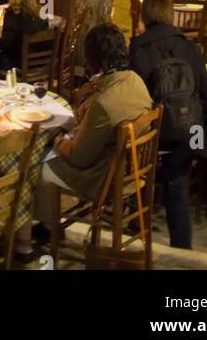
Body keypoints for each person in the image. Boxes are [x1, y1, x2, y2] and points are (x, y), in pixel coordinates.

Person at [35, 23, 151, 221]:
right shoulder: (135, 80)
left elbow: (78, 157)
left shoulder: (103, 104)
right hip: (130, 171)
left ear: (93, 59)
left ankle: (41, 232)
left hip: (101, 178)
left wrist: (56, 139)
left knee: (36, 163)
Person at [129, 0, 207, 248]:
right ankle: (182, 248)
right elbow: (205, 93)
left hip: (156, 132)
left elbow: (135, 97)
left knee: (135, 167)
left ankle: (136, 232)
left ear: (145, 15)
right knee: (177, 183)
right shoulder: (190, 47)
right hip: (191, 133)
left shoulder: (138, 47)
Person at [0, 0, 46, 73]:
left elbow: (6, 43)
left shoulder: (12, 14)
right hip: (39, 63)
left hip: (17, 64)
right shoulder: (41, 13)